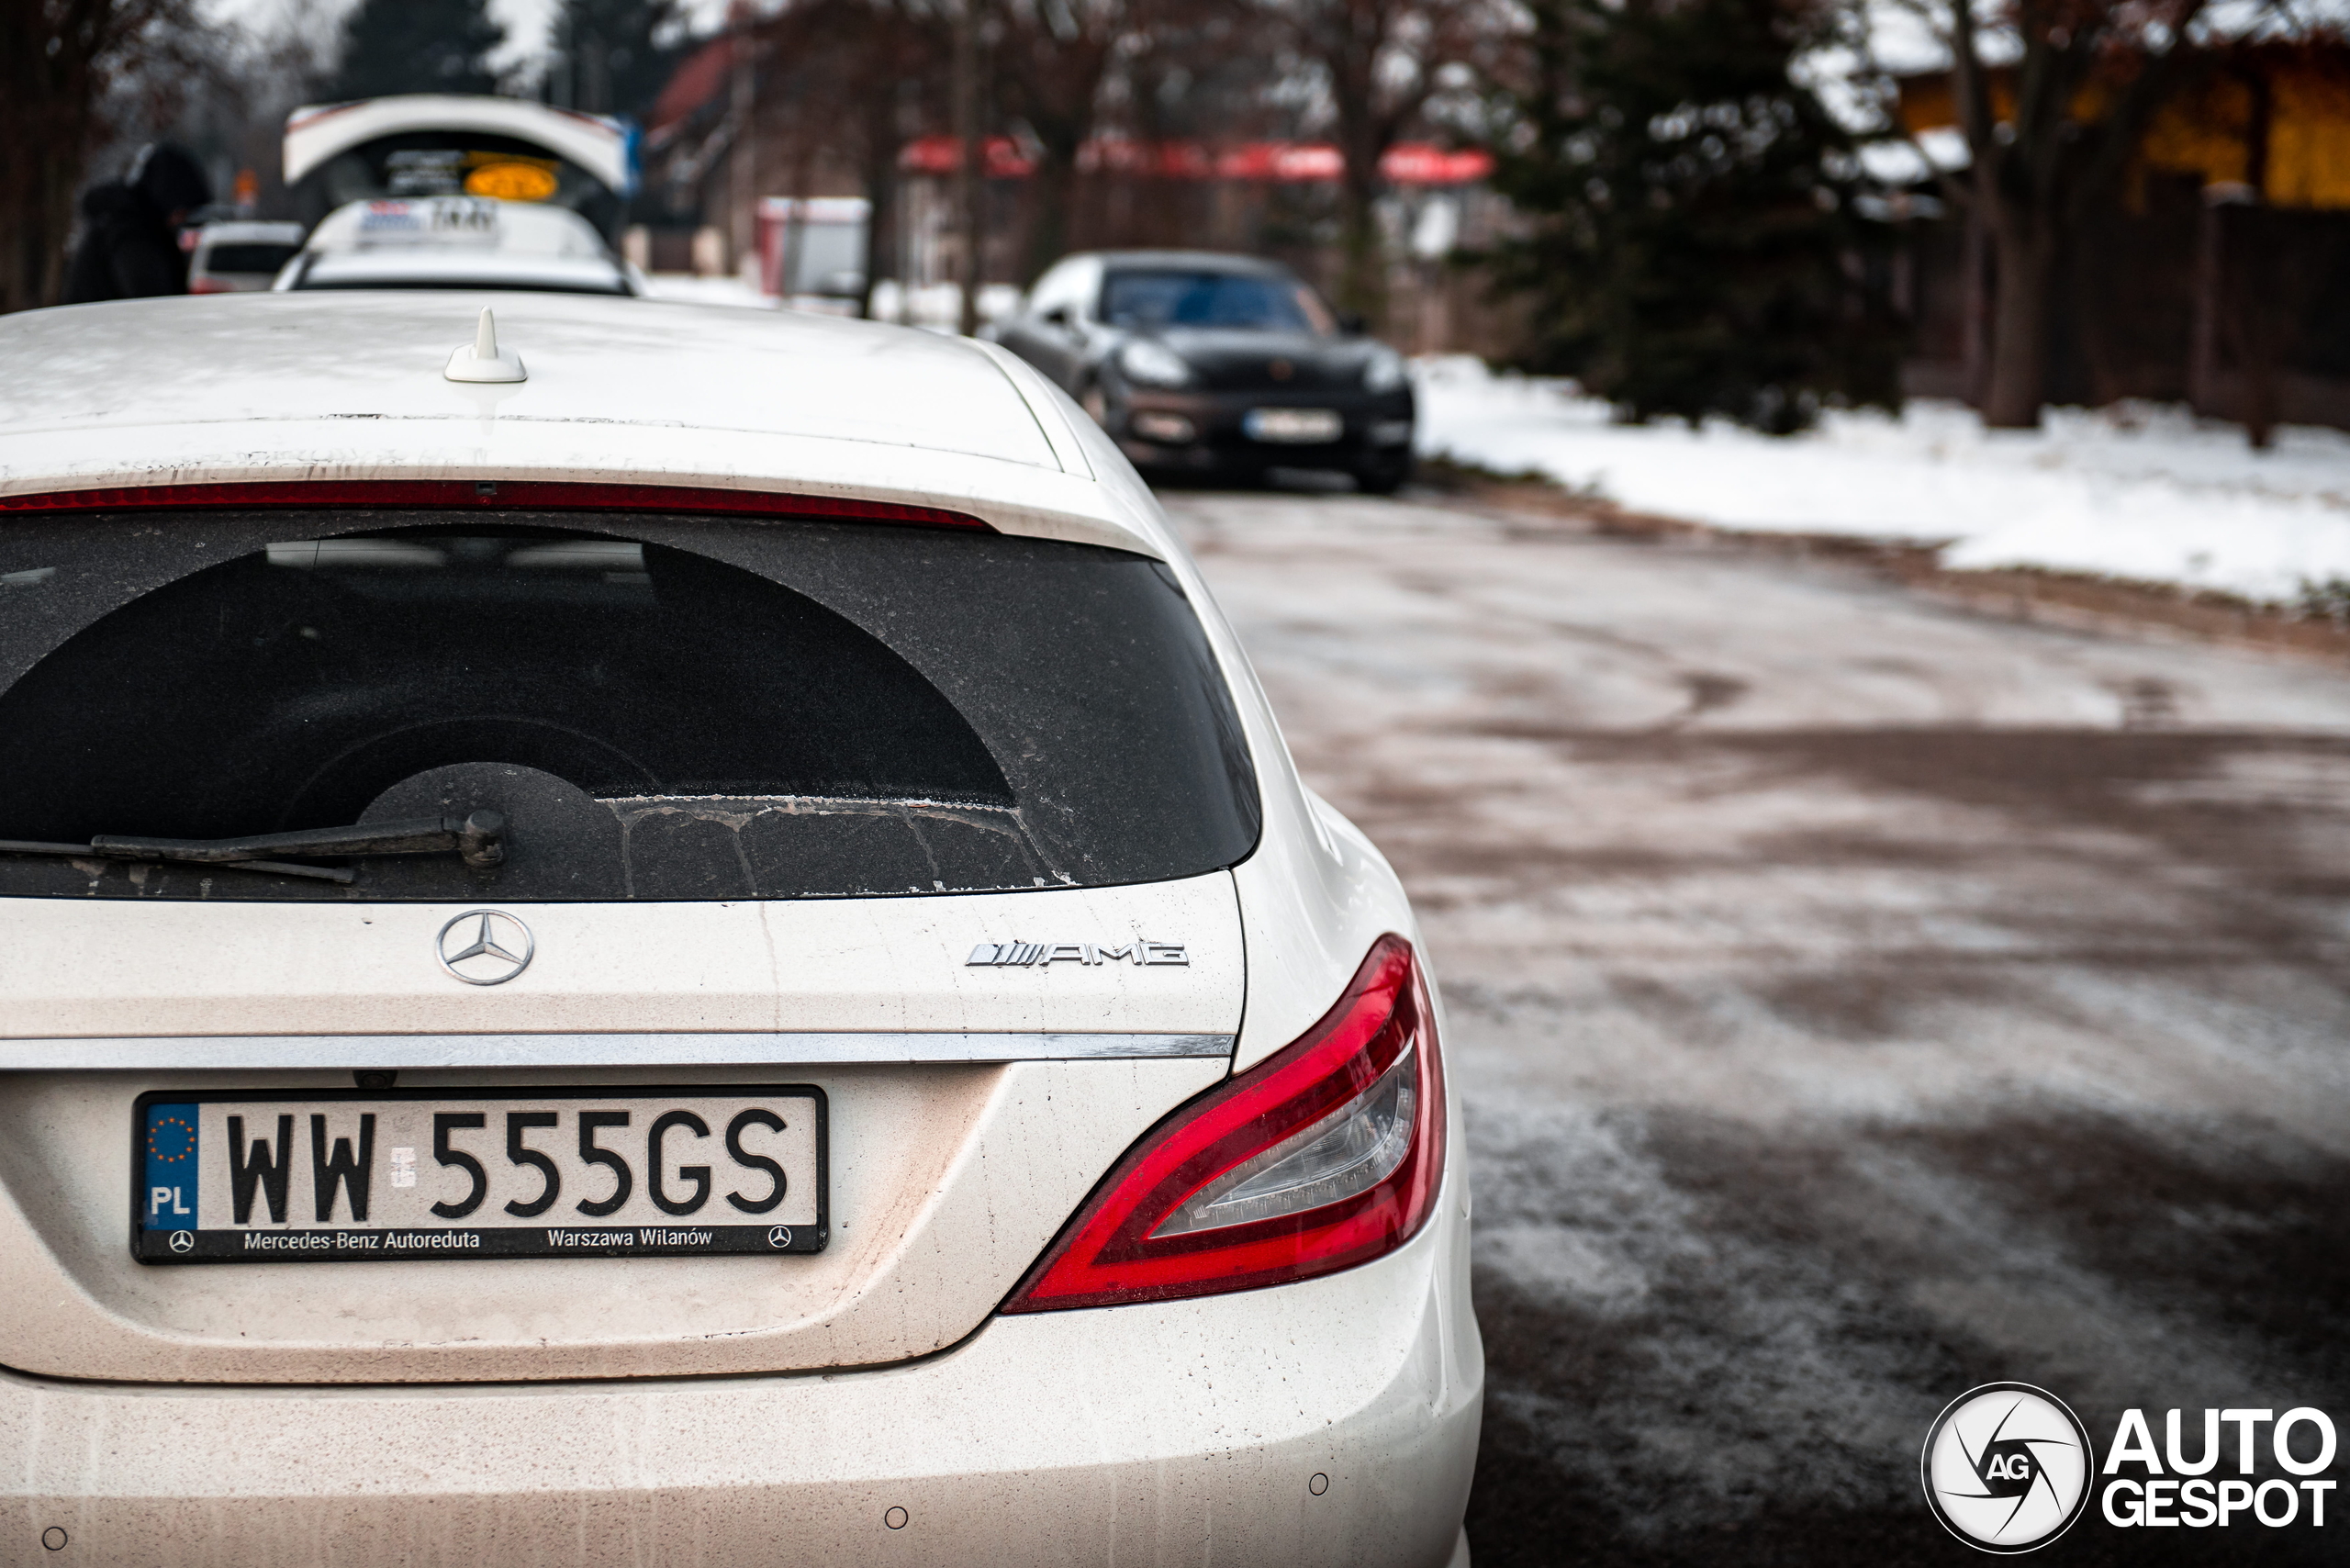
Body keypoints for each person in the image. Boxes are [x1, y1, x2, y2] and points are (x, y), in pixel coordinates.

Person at [62, 143, 213, 304]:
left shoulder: (128, 224)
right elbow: (149, 299)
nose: (183, 218)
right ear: (169, 199)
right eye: (182, 209)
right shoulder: (132, 234)